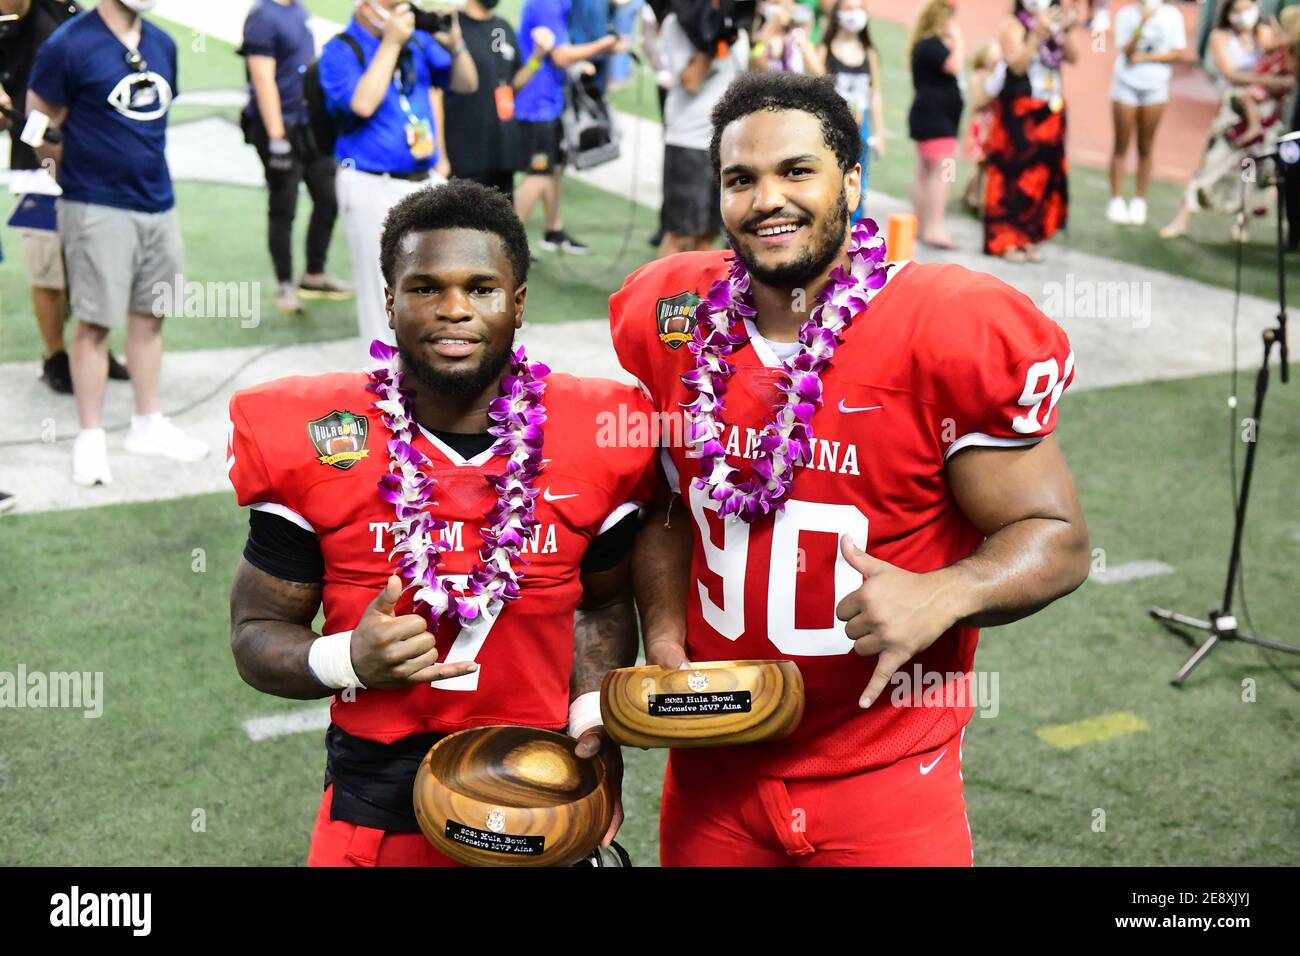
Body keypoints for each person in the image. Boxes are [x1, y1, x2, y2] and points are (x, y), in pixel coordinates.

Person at [610, 71, 1089, 866]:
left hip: (886, 770)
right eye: (742, 179)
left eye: (797, 171)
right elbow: (665, 501)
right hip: (714, 767)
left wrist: (946, 590)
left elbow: (1058, 538)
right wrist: (663, 632)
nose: (768, 199)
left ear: (852, 182)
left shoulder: (947, 323)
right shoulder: (671, 315)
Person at [227, 180, 657, 867]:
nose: (454, 310)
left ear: (517, 304)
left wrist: (592, 734)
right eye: (426, 287)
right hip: (378, 801)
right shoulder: (318, 439)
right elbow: (255, 634)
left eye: (481, 288)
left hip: (539, 788)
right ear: (390, 300)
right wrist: (347, 659)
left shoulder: (597, 435)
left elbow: (602, 604)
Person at [27, 0, 208, 487]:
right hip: (94, 204)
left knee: (152, 315)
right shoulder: (69, 43)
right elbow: (37, 115)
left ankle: (147, 423)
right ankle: (90, 438)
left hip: (158, 202)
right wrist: (60, 170)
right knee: (94, 323)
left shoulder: (164, 44)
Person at [320, 0, 478, 346]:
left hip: (423, 179)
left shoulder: (417, 41)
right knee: (383, 291)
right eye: (394, 5)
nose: (403, 12)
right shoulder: (340, 49)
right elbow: (362, 103)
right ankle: (386, 386)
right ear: (366, 6)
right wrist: (390, 43)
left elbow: (466, 83)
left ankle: (428, 371)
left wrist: (456, 45)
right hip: (371, 183)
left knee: (438, 277)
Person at [0, 0, 129, 395]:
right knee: (48, 268)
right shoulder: (19, 10)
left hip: (88, 159)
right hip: (36, 165)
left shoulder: (74, 11)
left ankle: (93, 348)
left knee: (91, 263)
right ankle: (56, 356)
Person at [241, 0, 351, 316]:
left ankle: (314, 274)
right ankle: (285, 284)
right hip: (281, 127)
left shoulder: (297, 10)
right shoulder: (263, 15)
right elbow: (262, 79)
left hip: (308, 124)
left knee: (328, 198)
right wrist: (277, 137)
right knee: (283, 207)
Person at [1158, 0, 1293, 241]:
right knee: (1212, 163)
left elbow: (1285, 60)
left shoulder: (1263, 35)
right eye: (1237, 11)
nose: (1243, 16)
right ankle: (1183, 218)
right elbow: (1231, 74)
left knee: (1251, 169)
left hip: (1265, 115)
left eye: (1247, 9)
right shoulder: (1220, 36)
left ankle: (1243, 221)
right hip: (1234, 112)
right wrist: (1270, 83)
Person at [513, 0, 628, 255]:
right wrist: (605, 45)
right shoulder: (546, 4)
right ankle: (507, 243)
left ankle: (554, 230)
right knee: (538, 173)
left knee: (554, 168)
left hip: (550, 100)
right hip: (535, 105)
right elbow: (560, 55)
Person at [984, 0, 1078, 262]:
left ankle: (1028, 237)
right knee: (1012, 174)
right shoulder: (1013, 25)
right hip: (1019, 111)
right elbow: (1016, 65)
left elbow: (1074, 57)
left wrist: (1067, 29)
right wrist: (1037, 33)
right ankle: (1005, 239)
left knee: (1040, 176)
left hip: (1049, 109)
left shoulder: (1056, 22)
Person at [656, 6, 747, 257]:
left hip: (726, 145)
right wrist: (712, 39)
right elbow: (691, 80)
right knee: (681, 233)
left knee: (710, 232)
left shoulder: (736, 21)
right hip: (689, 142)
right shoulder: (678, 23)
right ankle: (661, 296)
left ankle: (699, 296)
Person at [443, 0, 554, 201]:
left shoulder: (501, 28)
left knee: (502, 226)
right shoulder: (451, 26)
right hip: (464, 152)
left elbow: (510, 86)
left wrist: (538, 57)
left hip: (502, 149)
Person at [1105, 0, 1187, 226]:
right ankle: (1116, 198)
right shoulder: (1126, 14)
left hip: (1156, 87)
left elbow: (1177, 52)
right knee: (1121, 143)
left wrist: (1146, 58)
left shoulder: (1172, 15)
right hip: (1126, 84)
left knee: (1146, 145)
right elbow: (1127, 51)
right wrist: (1141, 25)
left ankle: (1140, 199)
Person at [817, 0, 883, 223]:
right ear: (837, 14)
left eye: (859, 8)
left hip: (860, 127)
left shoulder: (869, 52)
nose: (854, 14)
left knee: (858, 180)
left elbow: (875, 94)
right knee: (833, 177)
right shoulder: (825, 50)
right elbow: (817, 86)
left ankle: (856, 232)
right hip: (833, 126)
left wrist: (879, 134)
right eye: (849, 8)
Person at [907, 0, 963, 248]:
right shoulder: (932, 45)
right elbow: (955, 65)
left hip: (930, 117)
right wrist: (958, 39)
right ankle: (934, 226)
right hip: (936, 119)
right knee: (943, 171)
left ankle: (920, 225)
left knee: (925, 171)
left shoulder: (923, 44)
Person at [961, 39, 1005, 216]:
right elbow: (978, 102)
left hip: (992, 124)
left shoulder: (997, 78)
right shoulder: (979, 77)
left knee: (986, 163)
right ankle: (975, 197)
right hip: (981, 125)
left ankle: (973, 195)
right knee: (981, 163)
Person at [751, 0, 823, 73]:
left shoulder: (799, 33)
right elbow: (757, 66)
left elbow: (819, 74)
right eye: (775, 3)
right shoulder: (761, 34)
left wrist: (804, 45)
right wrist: (772, 27)